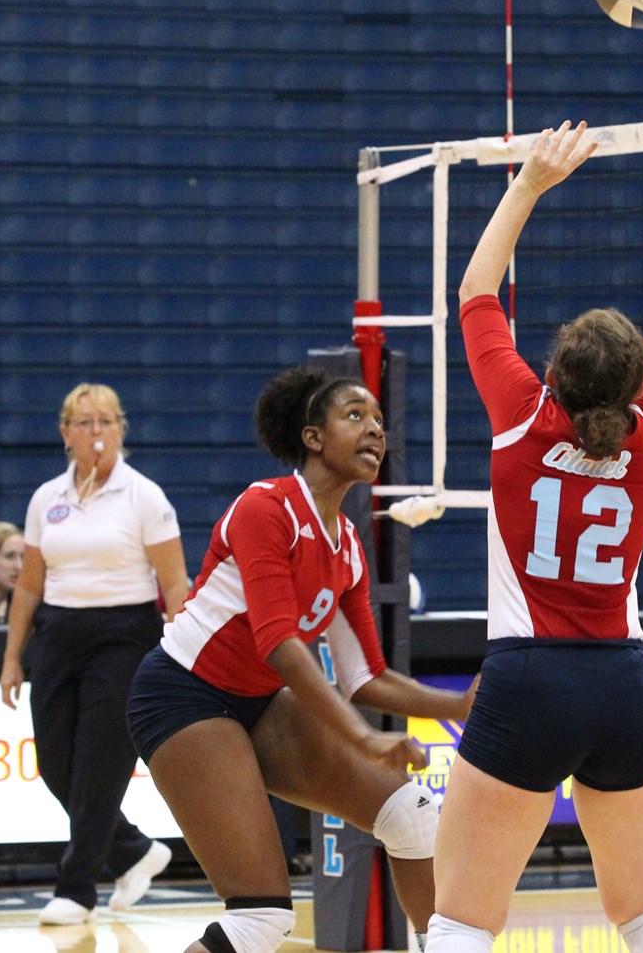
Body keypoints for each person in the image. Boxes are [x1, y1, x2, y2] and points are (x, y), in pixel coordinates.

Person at [426, 123, 643, 953]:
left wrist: (530, 182)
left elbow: (476, 289)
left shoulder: (520, 415)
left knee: (460, 922)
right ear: (637, 384)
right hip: (622, 683)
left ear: (553, 372)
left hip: (528, 678)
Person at [126, 364, 474, 953]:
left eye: (380, 420)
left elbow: (367, 676)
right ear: (313, 438)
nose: (375, 430)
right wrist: (363, 739)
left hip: (258, 702)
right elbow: (279, 643)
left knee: (411, 813)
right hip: (182, 695)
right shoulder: (266, 507)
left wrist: (460, 705)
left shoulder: (349, 549)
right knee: (260, 918)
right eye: (355, 416)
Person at [0, 383, 192, 925]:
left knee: (98, 768)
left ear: (121, 429)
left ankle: (76, 887)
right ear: (66, 433)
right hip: (58, 633)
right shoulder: (47, 498)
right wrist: (12, 657)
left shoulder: (144, 496)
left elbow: (175, 582)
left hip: (125, 635)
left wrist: (180, 652)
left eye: (107, 421)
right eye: (84, 423)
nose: (96, 432)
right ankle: (133, 850)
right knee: (54, 765)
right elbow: (29, 586)